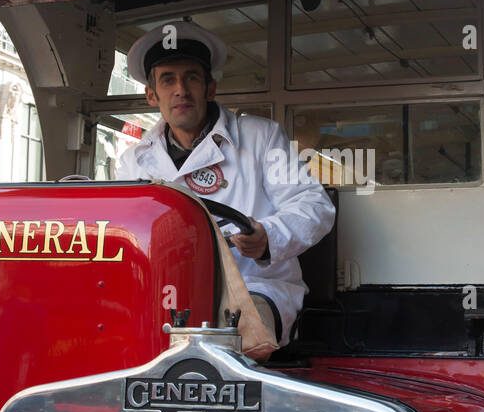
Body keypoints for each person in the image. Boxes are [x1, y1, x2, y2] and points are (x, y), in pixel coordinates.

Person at [115, 21, 335, 346]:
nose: (181, 89)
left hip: (254, 287)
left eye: (191, 77)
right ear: (151, 94)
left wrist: (267, 237)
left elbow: (314, 206)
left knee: (229, 342)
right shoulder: (134, 160)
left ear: (210, 88)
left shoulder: (261, 137)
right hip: (165, 293)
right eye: (168, 80)